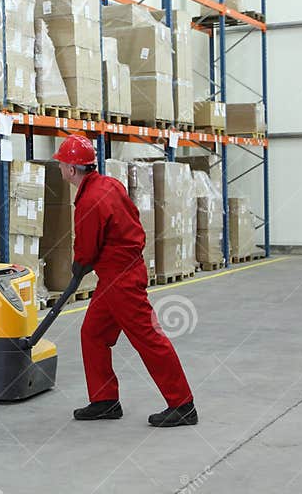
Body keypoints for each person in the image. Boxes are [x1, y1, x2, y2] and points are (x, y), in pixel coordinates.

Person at [54, 135, 198, 427]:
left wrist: (79, 265)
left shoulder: (89, 200)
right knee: (92, 333)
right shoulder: (108, 185)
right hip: (114, 275)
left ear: (71, 169)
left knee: (148, 338)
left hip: (121, 279)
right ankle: (105, 400)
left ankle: (182, 404)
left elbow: (87, 247)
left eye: (61, 164)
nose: (60, 169)